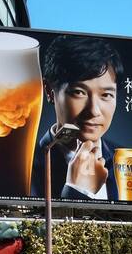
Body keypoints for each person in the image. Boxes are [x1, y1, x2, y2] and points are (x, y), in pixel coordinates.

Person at [29, 35, 122, 200]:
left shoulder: (128, 162)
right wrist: (75, 190)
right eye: (79, 92)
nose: (94, 111)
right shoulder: (24, 168)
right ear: (50, 91)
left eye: (106, 95)